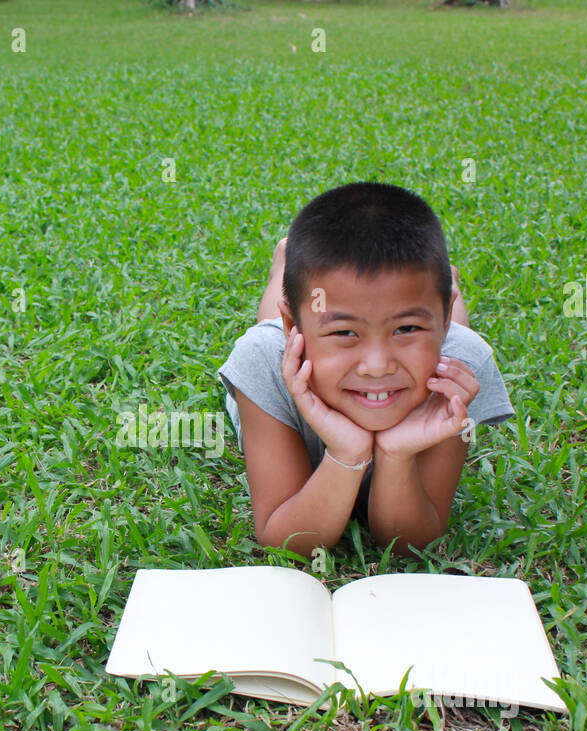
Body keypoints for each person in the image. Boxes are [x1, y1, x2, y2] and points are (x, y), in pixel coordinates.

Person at [217, 182, 514, 559]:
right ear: (296, 327)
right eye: (345, 332)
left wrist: (396, 455)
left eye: (407, 328)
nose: (377, 367)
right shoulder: (262, 362)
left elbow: (411, 542)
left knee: (457, 337)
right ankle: (284, 263)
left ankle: (443, 287)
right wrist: (347, 453)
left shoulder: (459, 371)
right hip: (288, 343)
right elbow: (284, 539)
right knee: (272, 328)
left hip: (438, 333)